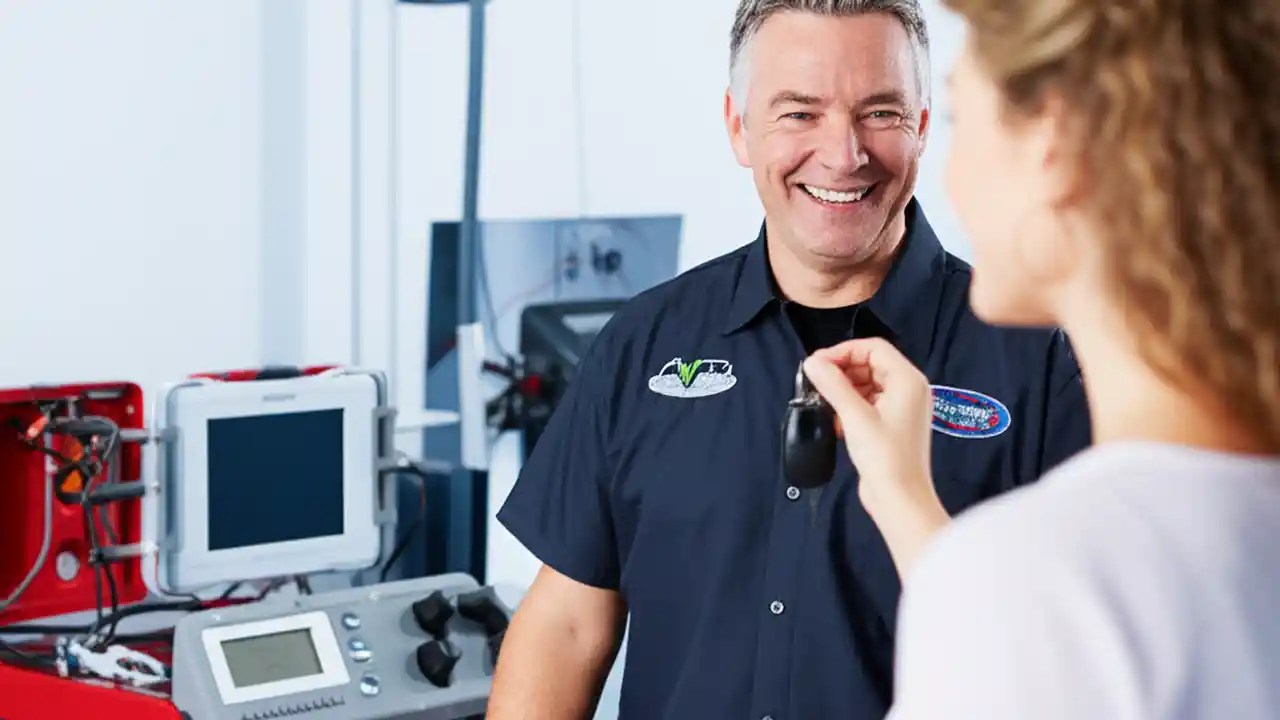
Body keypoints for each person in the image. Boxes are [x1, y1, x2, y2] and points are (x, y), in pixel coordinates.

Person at [487, 1, 1092, 718]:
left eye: (880, 112)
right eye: (800, 114)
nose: (844, 154)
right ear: (738, 127)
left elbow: (1083, 657)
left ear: (923, 125)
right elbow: (565, 625)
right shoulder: (643, 342)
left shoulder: (1041, 359)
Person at [801, 0, 1280, 717]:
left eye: (959, 119)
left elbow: (1040, 622)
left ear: (1053, 144)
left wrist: (978, 583)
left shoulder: (1039, 584)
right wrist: (903, 495)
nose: (951, 179)